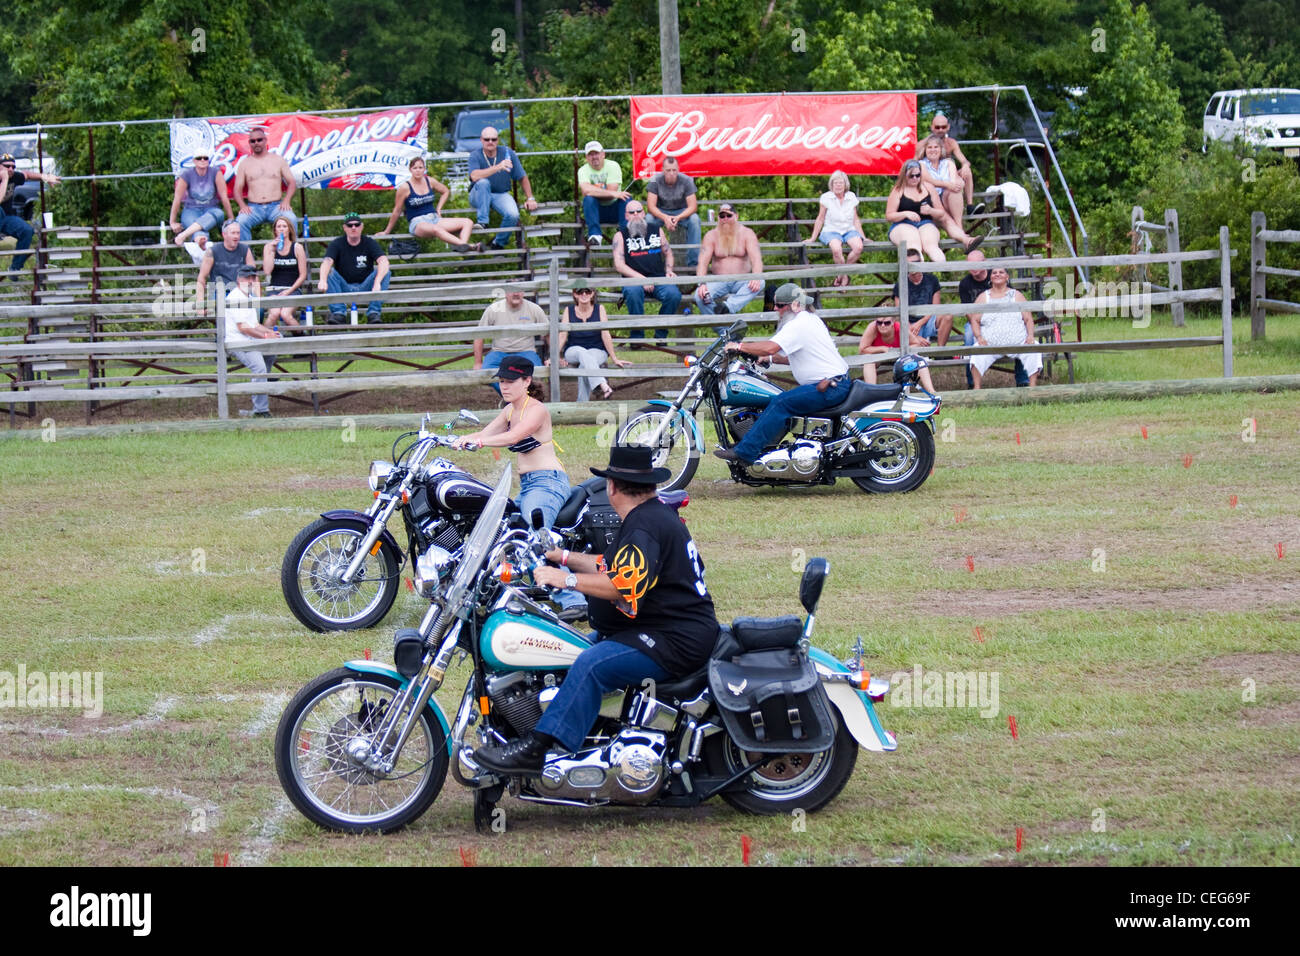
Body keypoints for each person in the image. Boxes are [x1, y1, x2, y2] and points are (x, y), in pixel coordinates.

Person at [473, 444, 719, 774]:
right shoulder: (649, 516)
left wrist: (566, 580)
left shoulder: (645, 525)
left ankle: (538, 751)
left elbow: (624, 584)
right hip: (664, 629)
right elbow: (612, 565)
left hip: (675, 639)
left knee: (591, 664)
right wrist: (563, 557)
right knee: (566, 650)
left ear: (612, 486)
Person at [453, 356, 585, 620]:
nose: (505, 386)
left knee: (535, 537)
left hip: (548, 482)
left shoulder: (536, 410)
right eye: (502, 381)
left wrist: (480, 443)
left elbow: (513, 437)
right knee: (504, 533)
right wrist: (461, 439)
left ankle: (575, 599)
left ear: (527, 381)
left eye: (511, 381)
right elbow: (487, 433)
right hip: (528, 485)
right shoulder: (509, 410)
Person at [713, 283, 850, 465]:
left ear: (793, 305)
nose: (776, 309)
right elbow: (802, 356)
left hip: (830, 386)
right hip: (834, 382)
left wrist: (739, 346)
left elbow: (771, 346)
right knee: (781, 401)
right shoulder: (810, 319)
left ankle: (745, 453)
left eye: (779, 305)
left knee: (781, 402)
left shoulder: (799, 324)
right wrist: (770, 359)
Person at [377, 156, 480, 253]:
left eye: (420, 167)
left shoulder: (430, 181)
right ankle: (468, 246)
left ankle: (460, 246)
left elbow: (445, 191)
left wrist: (439, 208)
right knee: (437, 229)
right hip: (418, 223)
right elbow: (397, 210)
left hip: (434, 218)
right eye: (415, 168)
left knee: (468, 222)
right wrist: (387, 231)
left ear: (424, 169)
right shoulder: (405, 187)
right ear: (410, 170)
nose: (418, 170)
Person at [886, 160, 982, 263]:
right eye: (911, 176)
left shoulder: (928, 187)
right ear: (904, 175)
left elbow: (941, 213)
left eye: (917, 175)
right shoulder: (898, 190)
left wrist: (930, 210)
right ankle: (917, 273)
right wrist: (905, 213)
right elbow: (889, 215)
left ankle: (942, 266)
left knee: (932, 247)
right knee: (913, 245)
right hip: (903, 224)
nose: (915, 178)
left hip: (925, 222)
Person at [613, 200, 681, 344]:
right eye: (632, 212)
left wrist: (669, 270)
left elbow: (668, 253)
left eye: (639, 211)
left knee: (674, 295)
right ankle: (637, 337)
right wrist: (642, 279)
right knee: (633, 292)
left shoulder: (657, 230)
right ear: (626, 216)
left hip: (658, 278)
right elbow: (619, 265)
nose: (636, 214)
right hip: (633, 280)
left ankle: (661, 334)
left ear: (644, 213)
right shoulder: (620, 236)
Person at [957, 250, 1028, 388]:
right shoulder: (965, 283)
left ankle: (1023, 380)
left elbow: (1011, 300)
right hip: (976, 320)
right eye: (969, 264)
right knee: (969, 336)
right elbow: (968, 310)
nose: (972, 267)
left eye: (976, 264)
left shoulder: (997, 275)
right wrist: (978, 326)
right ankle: (972, 383)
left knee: (1022, 335)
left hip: (1001, 319)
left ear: (984, 263)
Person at [969, 266, 1042, 389]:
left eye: (1001, 272)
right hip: (990, 344)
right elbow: (974, 320)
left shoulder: (1016, 295)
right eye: (994, 273)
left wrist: (1030, 336)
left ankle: (1032, 388)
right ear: (990, 278)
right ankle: (977, 389)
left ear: (1007, 277)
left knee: (1034, 346)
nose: (997, 274)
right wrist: (979, 337)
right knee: (976, 351)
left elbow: (1028, 319)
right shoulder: (983, 297)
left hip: (1018, 342)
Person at [467, 126, 540, 250]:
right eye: (487, 139)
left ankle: (498, 243)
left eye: (493, 139)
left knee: (513, 214)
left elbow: (522, 176)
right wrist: (498, 167)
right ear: (481, 140)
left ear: (498, 140)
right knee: (483, 183)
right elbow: (474, 176)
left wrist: (530, 198)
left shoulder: (507, 153)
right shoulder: (475, 155)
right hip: (479, 194)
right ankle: (483, 222)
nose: (490, 142)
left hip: (500, 194)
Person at [224, 264, 281, 417]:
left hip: (248, 339)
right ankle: (261, 410)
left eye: (253, 278)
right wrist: (266, 336)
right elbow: (243, 328)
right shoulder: (234, 297)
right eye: (247, 278)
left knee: (271, 352)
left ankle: (262, 390)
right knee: (259, 368)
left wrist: (270, 333)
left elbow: (254, 325)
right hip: (238, 342)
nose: (250, 281)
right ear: (238, 279)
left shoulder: (250, 297)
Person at [558, 284, 632, 401]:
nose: (584, 294)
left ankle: (582, 404)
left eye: (587, 292)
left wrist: (614, 358)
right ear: (575, 294)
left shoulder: (599, 309)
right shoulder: (569, 310)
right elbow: (562, 335)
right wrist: (554, 356)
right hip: (573, 351)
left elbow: (605, 334)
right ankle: (602, 384)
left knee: (584, 365)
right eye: (580, 292)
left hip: (597, 350)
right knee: (581, 352)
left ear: (592, 294)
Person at [318, 211, 390, 325]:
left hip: (367, 286)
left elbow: (383, 261)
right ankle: (339, 313)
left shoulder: (369, 242)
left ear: (361, 226)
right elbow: (327, 262)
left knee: (385, 271)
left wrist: (377, 281)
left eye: (356, 224)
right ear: (344, 228)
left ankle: (374, 312)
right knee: (329, 271)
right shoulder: (337, 243)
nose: (353, 227)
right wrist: (322, 280)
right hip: (344, 287)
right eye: (350, 225)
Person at [693, 203, 764, 315]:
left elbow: (756, 259)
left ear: (736, 216)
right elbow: (702, 263)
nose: (725, 219)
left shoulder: (747, 233)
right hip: (718, 280)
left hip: (742, 280)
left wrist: (755, 277)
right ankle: (725, 330)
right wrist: (701, 284)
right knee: (699, 296)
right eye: (722, 216)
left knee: (761, 282)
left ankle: (728, 307)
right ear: (718, 218)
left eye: (728, 215)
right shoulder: (711, 235)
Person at [473, 286, 547, 394]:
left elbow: (549, 332)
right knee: (486, 373)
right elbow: (479, 335)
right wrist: (477, 363)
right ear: (505, 293)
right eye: (512, 290)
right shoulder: (494, 308)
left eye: (519, 290)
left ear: (523, 293)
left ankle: (520, 401)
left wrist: (553, 358)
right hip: (499, 352)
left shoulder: (533, 308)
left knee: (537, 374)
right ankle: (512, 400)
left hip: (526, 352)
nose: (516, 293)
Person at [916, 136, 984, 250]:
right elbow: (929, 181)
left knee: (955, 190)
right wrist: (948, 184)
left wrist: (958, 183)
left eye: (936, 147)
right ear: (925, 150)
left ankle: (959, 227)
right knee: (946, 214)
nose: (933, 150)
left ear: (941, 149)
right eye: (930, 147)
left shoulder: (948, 163)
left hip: (946, 201)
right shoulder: (921, 164)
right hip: (931, 202)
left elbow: (953, 182)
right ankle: (964, 237)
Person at [0, 152, 60, 278]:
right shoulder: (5, 178)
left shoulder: (13, 176)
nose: (11, 169)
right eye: (7, 166)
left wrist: (45, 176)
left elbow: (26, 174)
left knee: (27, 231)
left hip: (5, 218)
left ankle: (14, 269)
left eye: (13, 166)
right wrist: (4, 179)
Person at [233, 126, 297, 241]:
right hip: (253, 208)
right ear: (249, 143)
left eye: (259, 140)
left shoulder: (278, 160)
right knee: (240, 222)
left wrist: (286, 200)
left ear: (265, 140)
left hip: (276, 206)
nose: (256, 143)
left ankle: (291, 254)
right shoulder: (245, 163)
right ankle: (247, 256)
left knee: (291, 219)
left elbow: (292, 183)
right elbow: (237, 189)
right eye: (253, 141)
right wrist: (242, 206)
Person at [916, 113, 983, 219]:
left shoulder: (951, 143)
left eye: (943, 127)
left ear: (948, 127)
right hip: (932, 182)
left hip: (949, 177)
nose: (940, 130)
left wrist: (965, 165)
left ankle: (970, 206)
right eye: (937, 127)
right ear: (932, 127)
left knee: (967, 171)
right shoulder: (923, 144)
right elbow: (913, 166)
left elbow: (964, 160)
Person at [805, 170, 865, 287]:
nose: (838, 185)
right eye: (835, 183)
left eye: (840, 183)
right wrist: (812, 238)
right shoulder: (826, 197)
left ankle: (841, 275)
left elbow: (855, 220)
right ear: (831, 185)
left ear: (845, 184)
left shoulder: (851, 196)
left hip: (849, 230)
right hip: (831, 230)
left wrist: (863, 237)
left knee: (858, 247)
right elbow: (820, 218)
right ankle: (844, 276)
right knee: (837, 250)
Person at [857, 312, 939, 391]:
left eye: (887, 323)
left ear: (893, 323)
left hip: (899, 358)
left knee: (920, 362)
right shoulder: (872, 327)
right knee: (869, 362)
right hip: (878, 357)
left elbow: (916, 344)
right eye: (879, 322)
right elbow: (862, 350)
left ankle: (932, 392)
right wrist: (882, 348)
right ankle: (872, 392)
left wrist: (901, 351)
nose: (882, 325)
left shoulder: (900, 327)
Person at [168, 150, 233, 249]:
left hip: (212, 210)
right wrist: (172, 222)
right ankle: (202, 243)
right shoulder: (186, 174)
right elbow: (177, 198)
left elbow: (224, 196)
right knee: (197, 229)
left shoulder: (215, 172)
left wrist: (231, 218)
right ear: (194, 161)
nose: (202, 160)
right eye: (199, 158)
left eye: (205, 158)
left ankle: (183, 235)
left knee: (218, 213)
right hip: (191, 210)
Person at [645, 156, 701, 268]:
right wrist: (665, 217)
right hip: (661, 211)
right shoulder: (655, 180)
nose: (671, 173)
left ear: (678, 169)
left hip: (681, 212)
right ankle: (651, 260)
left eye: (674, 170)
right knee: (648, 219)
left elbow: (693, 206)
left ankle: (693, 264)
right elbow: (651, 207)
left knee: (695, 219)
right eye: (668, 170)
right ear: (663, 170)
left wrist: (678, 217)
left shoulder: (686, 180)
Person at [890, 248, 947, 345]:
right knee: (914, 345)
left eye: (915, 262)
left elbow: (935, 308)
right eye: (908, 263)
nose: (912, 265)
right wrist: (912, 333)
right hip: (909, 324)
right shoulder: (900, 284)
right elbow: (899, 313)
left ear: (920, 262)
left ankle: (940, 352)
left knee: (947, 316)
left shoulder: (932, 280)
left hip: (928, 319)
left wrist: (920, 322)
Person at [578, 141, 629, 246]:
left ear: (603, 154)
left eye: (596, 153)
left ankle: (626, 235)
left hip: (615, 209)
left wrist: (595, 191)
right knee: (588, 199)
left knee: (627, 199)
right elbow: (586, 191)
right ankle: (595, 236)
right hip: (597, 212)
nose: (594, 157)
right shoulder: (582, 170)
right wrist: (612, 194)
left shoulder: (613, 165)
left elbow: (612, 189)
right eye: (590, 154)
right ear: (586, 157)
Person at [261, 214, 307, 330]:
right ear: (275, 230)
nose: (281, 229)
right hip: (274, 289)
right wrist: (271, 251)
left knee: (285, 314)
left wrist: (289, 291)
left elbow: (303, 275)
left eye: (284, 226)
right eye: (279, 226)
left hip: (293, 289)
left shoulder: (297, 247)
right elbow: (267, 271)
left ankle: (301, 339)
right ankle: (261, 340)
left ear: (289, 229)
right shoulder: (268, 247)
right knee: (274, 314)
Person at [196, 219, 255, 308]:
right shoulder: (212, 251)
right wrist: (200, 303)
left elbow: (254, 277)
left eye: (238, 233)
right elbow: (201, 278)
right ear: (224, 234)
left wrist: (257, 297)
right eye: (233, 233)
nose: (236, 236)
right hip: (219, 292)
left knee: (259, 309)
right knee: (227, 308)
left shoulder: (245, 250)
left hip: (242, 290)